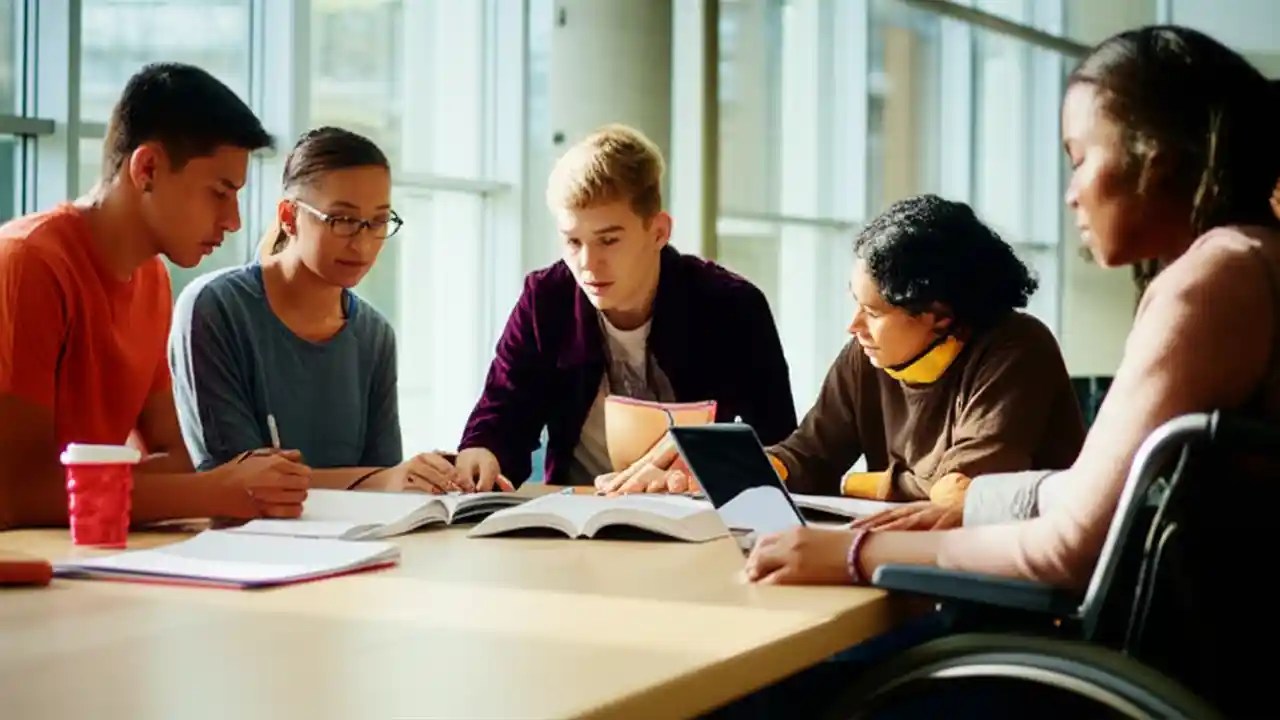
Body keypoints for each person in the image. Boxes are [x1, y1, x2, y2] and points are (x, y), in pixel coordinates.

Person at [745, 25, 1280, 591]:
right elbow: (1083, 493)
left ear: (1160, 161)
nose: (1071, 192)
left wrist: (857, 552)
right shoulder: (1253, 260)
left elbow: (1069, 549)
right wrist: (978, 504)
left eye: (1078, 158)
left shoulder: (1211, 281)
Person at [0, 62, 310, 530]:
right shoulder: (29, 263)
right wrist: (217, 489)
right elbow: (16, 491)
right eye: (219, 192)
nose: (234, 221)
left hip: (82, 555)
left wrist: (217, 482)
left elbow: (177, 454)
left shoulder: (152, 279)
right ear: (147, 168)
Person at [454, 124, 797, 490]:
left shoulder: (733, 307)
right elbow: (503, 411)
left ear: (658, 232)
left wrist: (710, 471)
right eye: (573, 241)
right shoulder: (545, 300)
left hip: (696, 513)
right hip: (579, 515)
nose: (588, 263)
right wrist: (482, 451)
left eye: (609, 241)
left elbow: (781, 448)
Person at [758, 194, 1084, 524]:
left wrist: (854, 482)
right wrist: (768, 466)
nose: (853, 326)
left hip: (1017, 555)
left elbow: (964, 490)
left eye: (872, 312)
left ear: (938, 315)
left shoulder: (1017, 348)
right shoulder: (866, 355)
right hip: (922, 546)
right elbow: (812, 454)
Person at [169, 127, 460, 493]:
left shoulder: (374, 334)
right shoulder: (215, 308)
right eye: (342, 220)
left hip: (355, 541)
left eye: (378, 221)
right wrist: (384, 480)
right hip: (246, 542)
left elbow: (384, 480)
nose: (362, 243)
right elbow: (238, 482)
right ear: (289, 217)